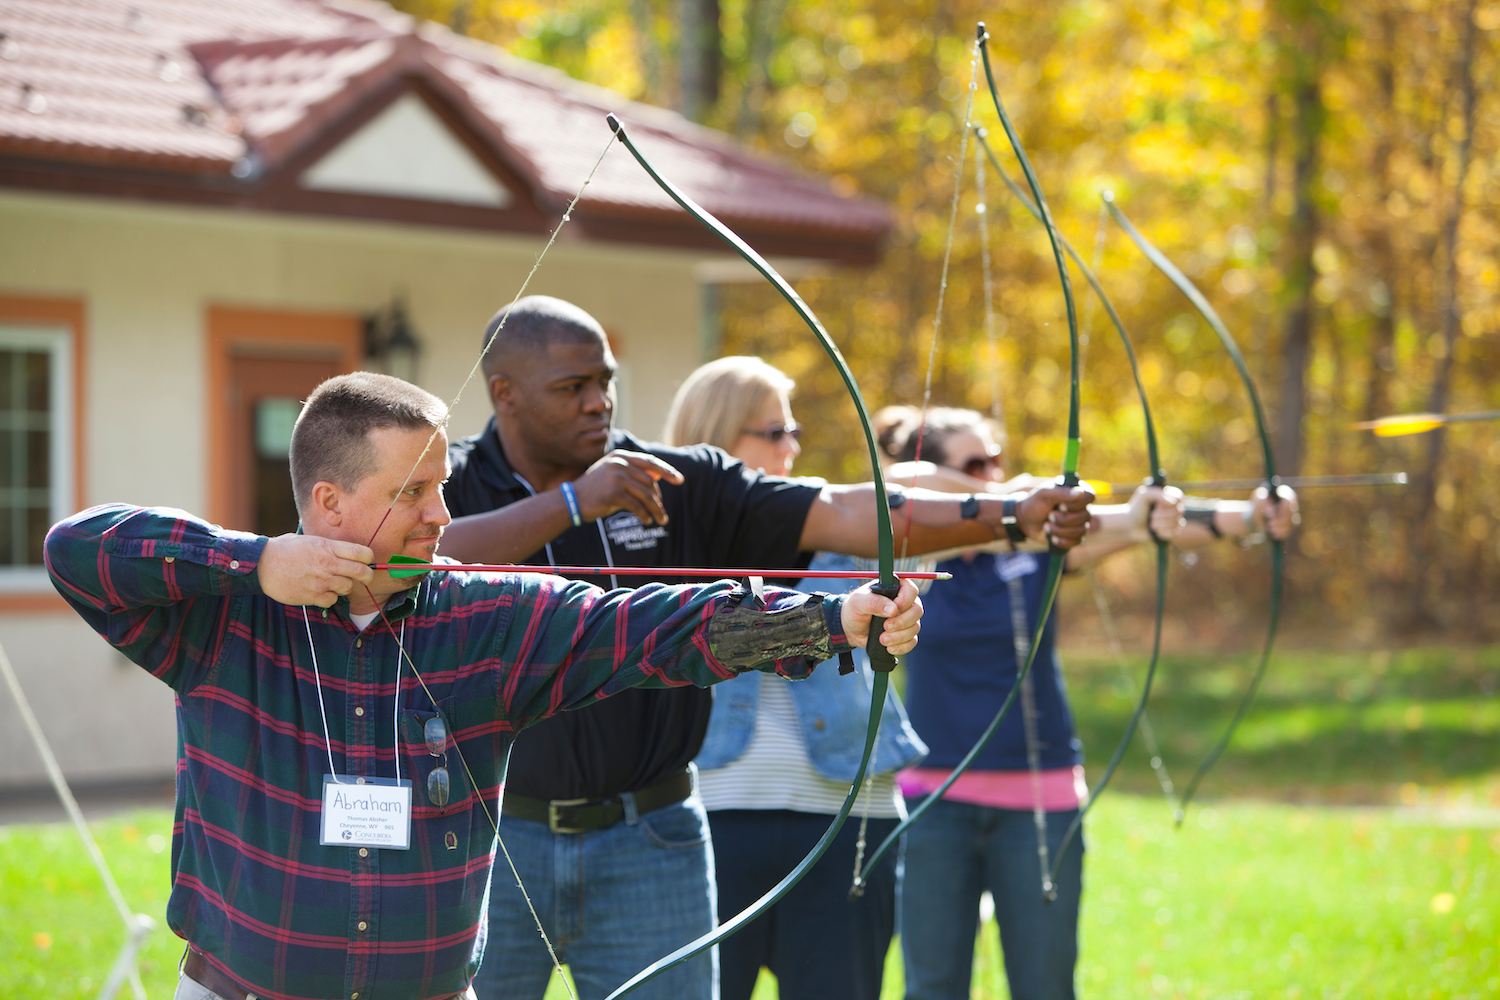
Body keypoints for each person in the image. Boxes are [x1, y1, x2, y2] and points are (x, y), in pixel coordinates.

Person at [43, 372, 926, 1000]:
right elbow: (77, 549)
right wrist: (256, 561)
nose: (442, 515)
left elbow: (657, 628)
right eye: (413, 492)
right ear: (331, 503)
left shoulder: (486, 616)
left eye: (441, 488)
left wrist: (830, 620)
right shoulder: (225, 615)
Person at [439, 296, 1095, 1000]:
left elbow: (845, 509)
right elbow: (414, 559)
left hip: (649, 837)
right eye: (573, 387)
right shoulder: (449, 482)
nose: (599, 401)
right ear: (505, 392)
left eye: (606, 381)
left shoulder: (671, 479)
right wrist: (573, 504)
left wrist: (1012, 514)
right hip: (490, 836)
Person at [878, 405, 1300, 1000]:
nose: (993, 472)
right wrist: (1012, 497)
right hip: (935, 801)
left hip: (1041, 800)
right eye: (975, 465)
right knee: (932, 988)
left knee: (1046, 987)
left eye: (996, 460)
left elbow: (1140, 525)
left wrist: (1250, 516)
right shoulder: (911, 549)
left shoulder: (1038, 541)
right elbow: (900, 483)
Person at [665, 357, 927, 1000]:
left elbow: (925, 511)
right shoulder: (668, 542)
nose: (793, 447)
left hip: (846, 819)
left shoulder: (841, 524)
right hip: (709, 818)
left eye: (795, 431)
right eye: (774, 432)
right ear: (713, 442)